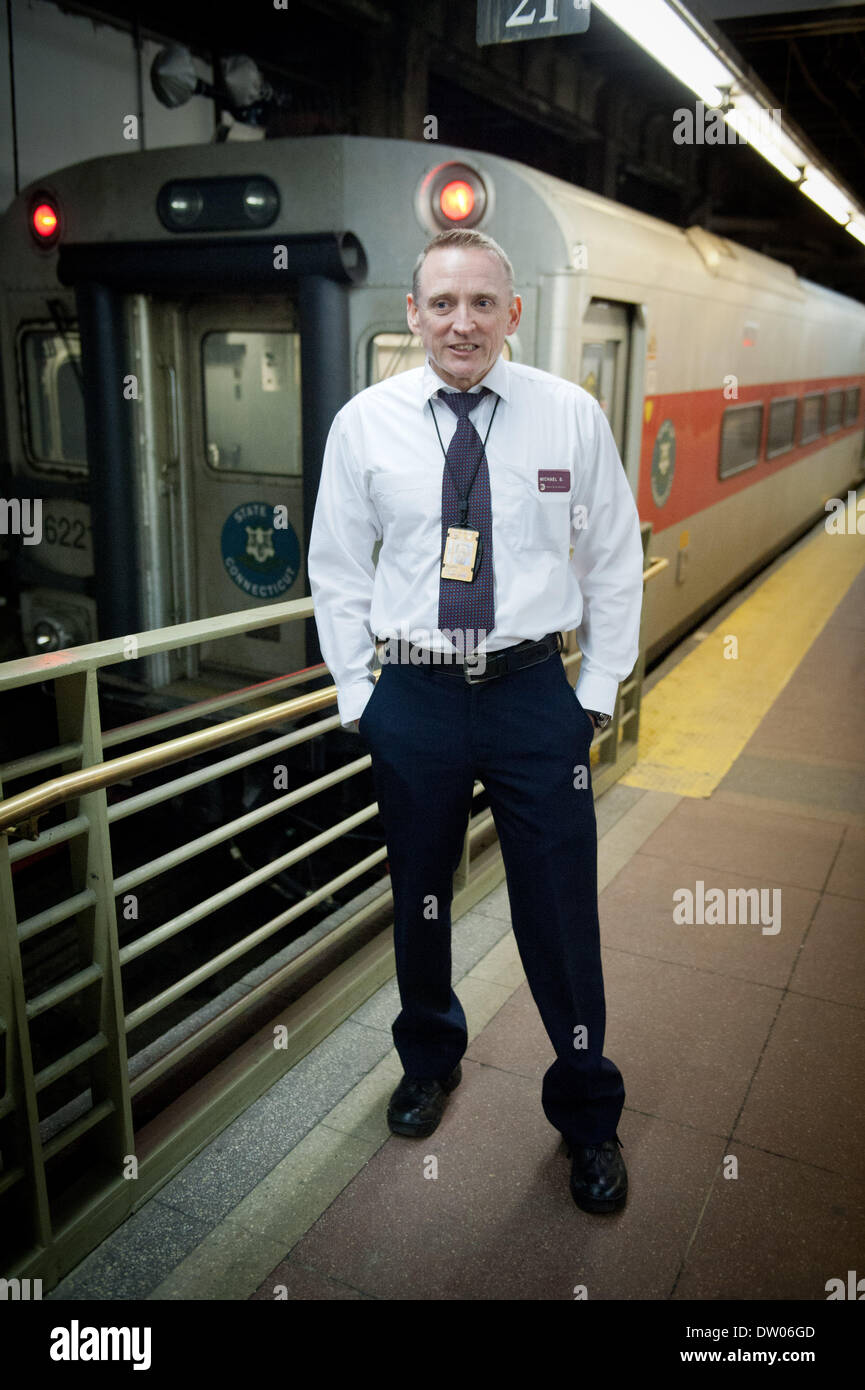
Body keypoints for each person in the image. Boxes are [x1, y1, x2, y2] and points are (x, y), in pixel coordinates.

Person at [308, 228, 644, 1214]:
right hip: (411, 696)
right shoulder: (364, 426)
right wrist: (359, 696)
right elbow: (335, 569)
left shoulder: (568, 417)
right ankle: (427, 1058)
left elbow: (613, 558)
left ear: (513, 313)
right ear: (411, 314)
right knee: (417, 894)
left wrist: (596, 690)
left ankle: (586, 1113)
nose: (462, 321)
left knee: (560, 913)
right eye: (441, 303)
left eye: (481, 303)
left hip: (533, 693)